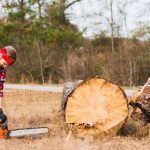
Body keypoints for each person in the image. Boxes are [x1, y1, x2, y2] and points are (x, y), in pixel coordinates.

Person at [0, 46, 17, 139]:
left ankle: (2, 135)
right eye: (5, 63)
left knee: (2, 118)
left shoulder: (2, 72)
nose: (5, 66)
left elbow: (0, 90)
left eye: (8, 65)